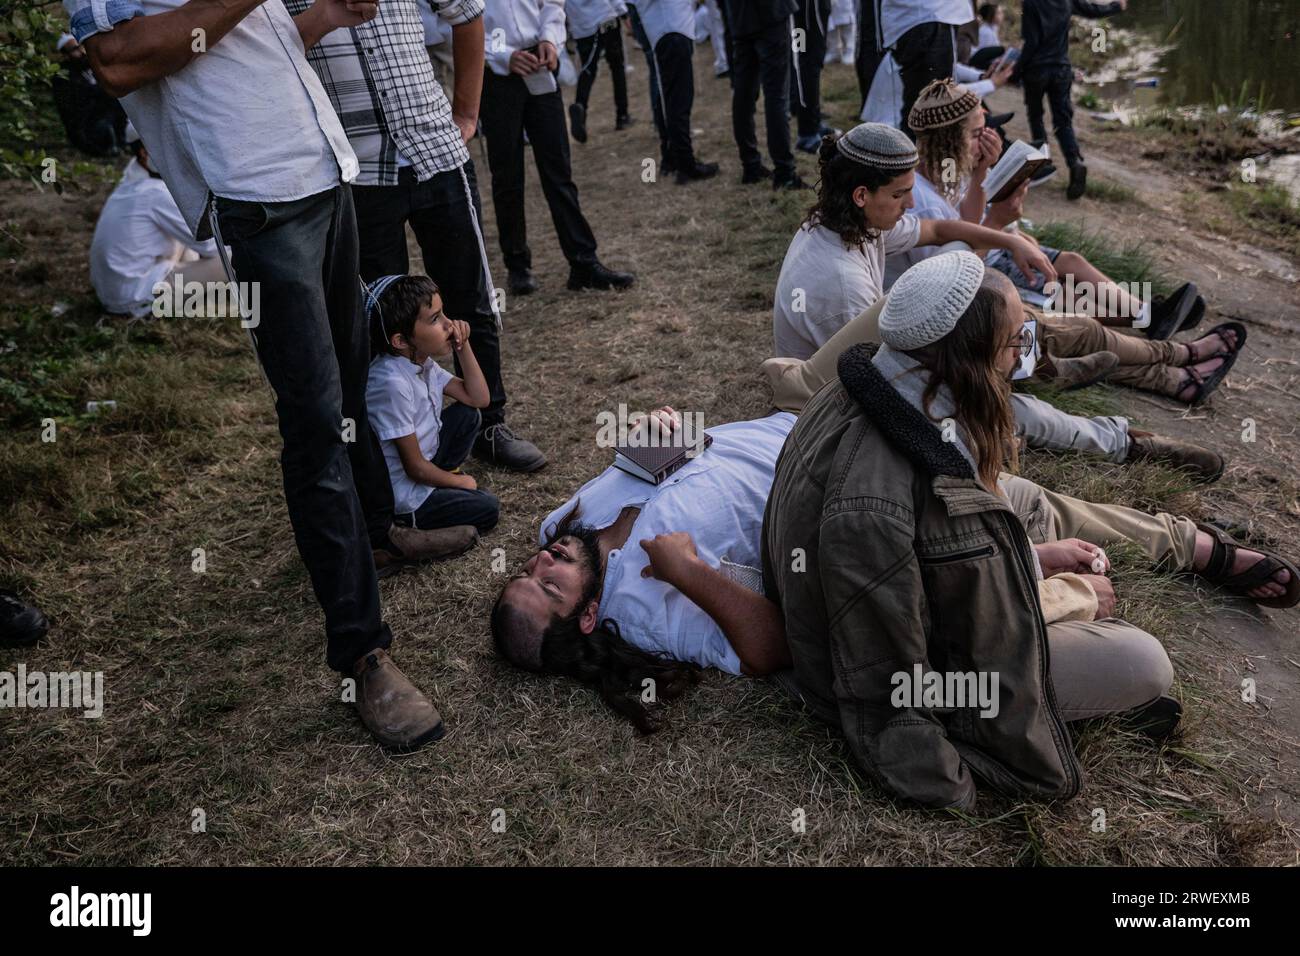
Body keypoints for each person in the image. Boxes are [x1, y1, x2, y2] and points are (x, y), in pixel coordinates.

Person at [761, 251, 1297, 809]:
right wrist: (1062, 598)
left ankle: (1190, 544)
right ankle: (1087, 694)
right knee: (1142, 661)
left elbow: (931, 566)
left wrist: (1028, 558)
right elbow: (892, 676)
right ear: (967, 356)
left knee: (1025, 498)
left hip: (901, 597)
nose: (1025, 353)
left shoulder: (878, 383)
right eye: (1016, 341)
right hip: (902, 669)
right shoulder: (875, 505)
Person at [68, 0, 463, 751]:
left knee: (351, 391)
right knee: (315, 423)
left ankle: (377, 533)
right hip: (253, 203)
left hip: (324, 170)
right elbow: (116, 61)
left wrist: (327, 17)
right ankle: (362, 654)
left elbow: (246, 44)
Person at [769, 122, 1223, 477]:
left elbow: (938, 229)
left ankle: (1171, 362)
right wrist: (980, 406)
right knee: (1022, 408)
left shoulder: (856, 223)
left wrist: (1013, 242)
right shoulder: (840, 282)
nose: (910, 206)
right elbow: (876, 385)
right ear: (862, 194)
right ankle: (1134, 435)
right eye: (901, 195)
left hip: (882, 365)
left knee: (1054, 332)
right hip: (847, 409)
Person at [282, 0, 547, 474]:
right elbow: (276, 55)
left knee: (469, 299)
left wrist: (466, 112)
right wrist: (324, 13)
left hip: (437, 151)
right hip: (356, 171)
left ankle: (488, 423)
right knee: (383, 323)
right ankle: (402, 448)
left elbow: (467, 13)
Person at [899, 80, 1245, 406]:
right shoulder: (921, 202)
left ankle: (1176, 377)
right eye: (977, 134)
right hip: (968, 316)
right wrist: (999, 224)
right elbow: (958, 277)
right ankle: (1179, 354)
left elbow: (967, 229)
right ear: (949, 141)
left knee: (1081, 329)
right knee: (1081, 327)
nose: (988, 138)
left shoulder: (947, 174)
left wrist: (983, 181)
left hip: (981, 300)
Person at [480, 0, 637, 294]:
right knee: (507, 176)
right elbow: (453, 24)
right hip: (495, 75)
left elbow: (552, 4)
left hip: (539, 64)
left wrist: (549, 40)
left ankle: (583, 262)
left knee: (559, 171)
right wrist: (502, 54)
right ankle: (517, 266)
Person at [364, 275, 499, 536]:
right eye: (435, 319)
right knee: (487, 507)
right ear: (401, 341)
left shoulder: (421, 362)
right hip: (409, 493)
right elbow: (413, 468)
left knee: (468, 415)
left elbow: (478, 399)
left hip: (428, 463)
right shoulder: (391, 383)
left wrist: (463, 346)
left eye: (443, 313)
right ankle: (408, 526)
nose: (449, 324)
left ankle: (444, 484)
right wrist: (461, 482)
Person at [89, 124, 227, 317]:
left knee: (192, 234)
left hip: (118, 294)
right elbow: (214, 247)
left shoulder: (132, 185)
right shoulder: (155, 193)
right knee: (232, 256)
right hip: (136, 299)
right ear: (145, 154)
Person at [1016, 0, 1127, 199]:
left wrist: (1015, 70)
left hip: (1036, 70)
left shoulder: (1031, 3)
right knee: (1063, 121)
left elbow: (1031, 42)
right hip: (1061, 68)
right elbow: (1093, 11)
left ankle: (1043, 162)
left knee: (1036, 116)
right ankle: (1074, 162)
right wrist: (1116, 6)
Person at [632, 0, 719, 183]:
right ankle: (685, 165)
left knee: (676, 101)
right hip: (670, 30)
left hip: (672, 29)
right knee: (677, 103)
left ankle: (675, 158)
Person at [722, 0, 804, 189]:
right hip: (769, 13)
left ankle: (751, 165)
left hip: (740, 17)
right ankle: (784, 173)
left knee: (745, 94)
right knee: (775, 96)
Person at [873, 0, 976, 139]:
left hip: (921, 17)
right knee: (936, 105)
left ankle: (913, 153)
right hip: (929, 16)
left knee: (924, 104)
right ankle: (925, 156)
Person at [51, 33, 128, 157]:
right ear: (65, 55)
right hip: (89, 122)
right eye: (74, 50)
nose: (81, 52)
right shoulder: (63, 76)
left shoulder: (91, 64)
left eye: (79, 47)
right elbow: (75, 108)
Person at [568, 0, 633, 143]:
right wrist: (624, 13)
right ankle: (622, 115)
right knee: (617, 67)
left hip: (581, 24)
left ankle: (580, 106)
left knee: (588, 69)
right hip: (605, 17)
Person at [789, 0, 838, 153]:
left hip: (809, 8)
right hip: (808, 8)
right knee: (807, 63)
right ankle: (807, 132)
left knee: (809, 62)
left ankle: (813, 122)